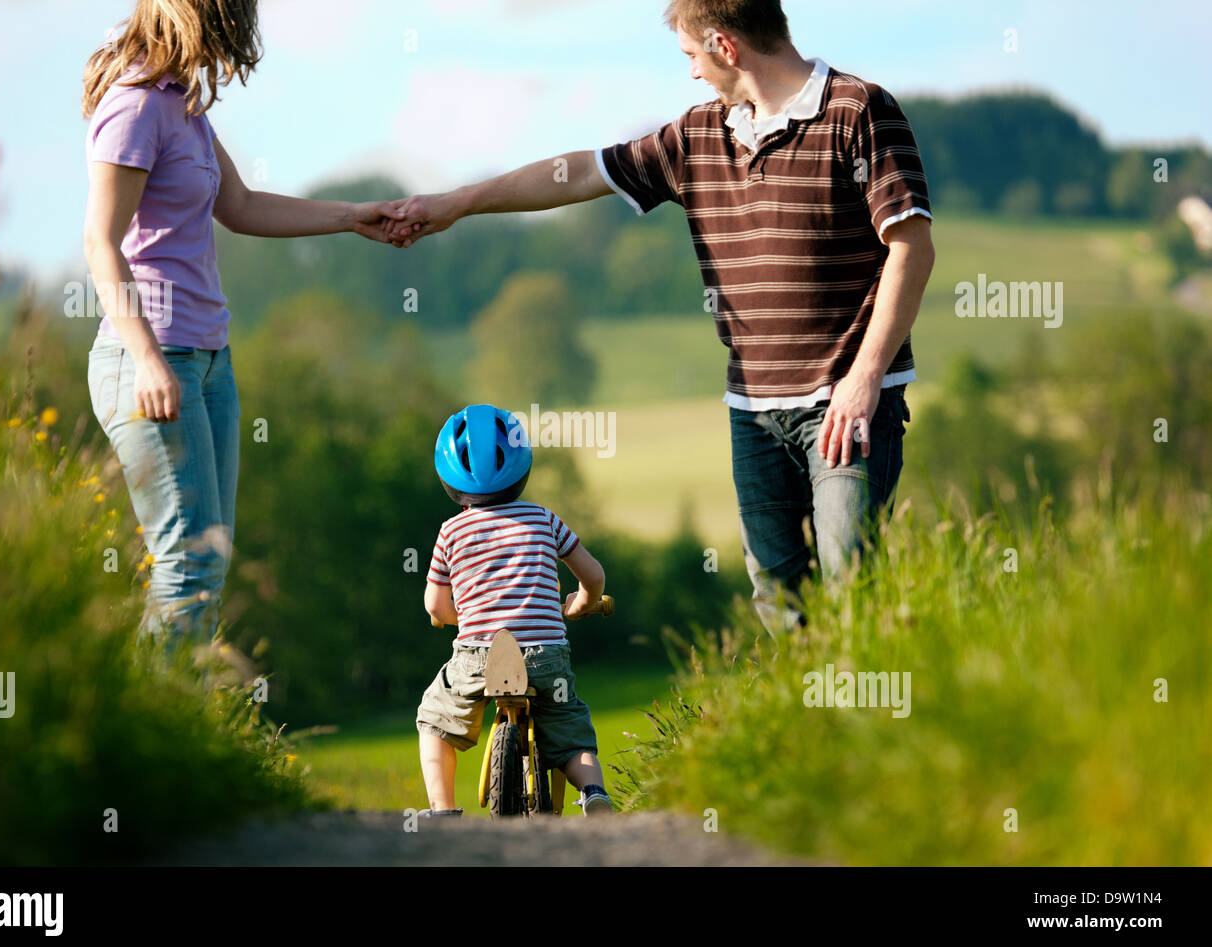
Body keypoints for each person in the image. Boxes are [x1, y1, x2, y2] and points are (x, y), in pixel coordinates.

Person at [384, 0, 935, 637]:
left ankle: (878, 724)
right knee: (781, 601)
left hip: (849, 402)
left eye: (691, 57)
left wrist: (865, 379)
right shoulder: (698, 136)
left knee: (850, 583)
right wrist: (457, 204)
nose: (693, 74)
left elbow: (911, 246)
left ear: (725, 47)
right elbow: (577, 174)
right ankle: (811, 730)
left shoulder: (861, 110)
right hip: (753, 412)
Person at [81, 0, 406, 645]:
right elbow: (99, 242)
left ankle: (181, 726)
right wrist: (146, 358)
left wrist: (353, 217)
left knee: (208, 564)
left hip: (208, 364)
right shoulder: (137, 105)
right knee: (187, 563)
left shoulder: (183, 108)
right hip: (150, 362)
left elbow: (243, 206)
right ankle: (151, 733)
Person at [416, 405, 614, 818]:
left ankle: (441, 810)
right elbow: (593, 575)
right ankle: (594, 794)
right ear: (522, 467)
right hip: (547, 655)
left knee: (435, 721)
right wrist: (582, 603)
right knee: (570, 730)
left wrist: (458, 618)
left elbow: (436, 605)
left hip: (478, 657)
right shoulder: (542, 518)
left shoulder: (451, 531)